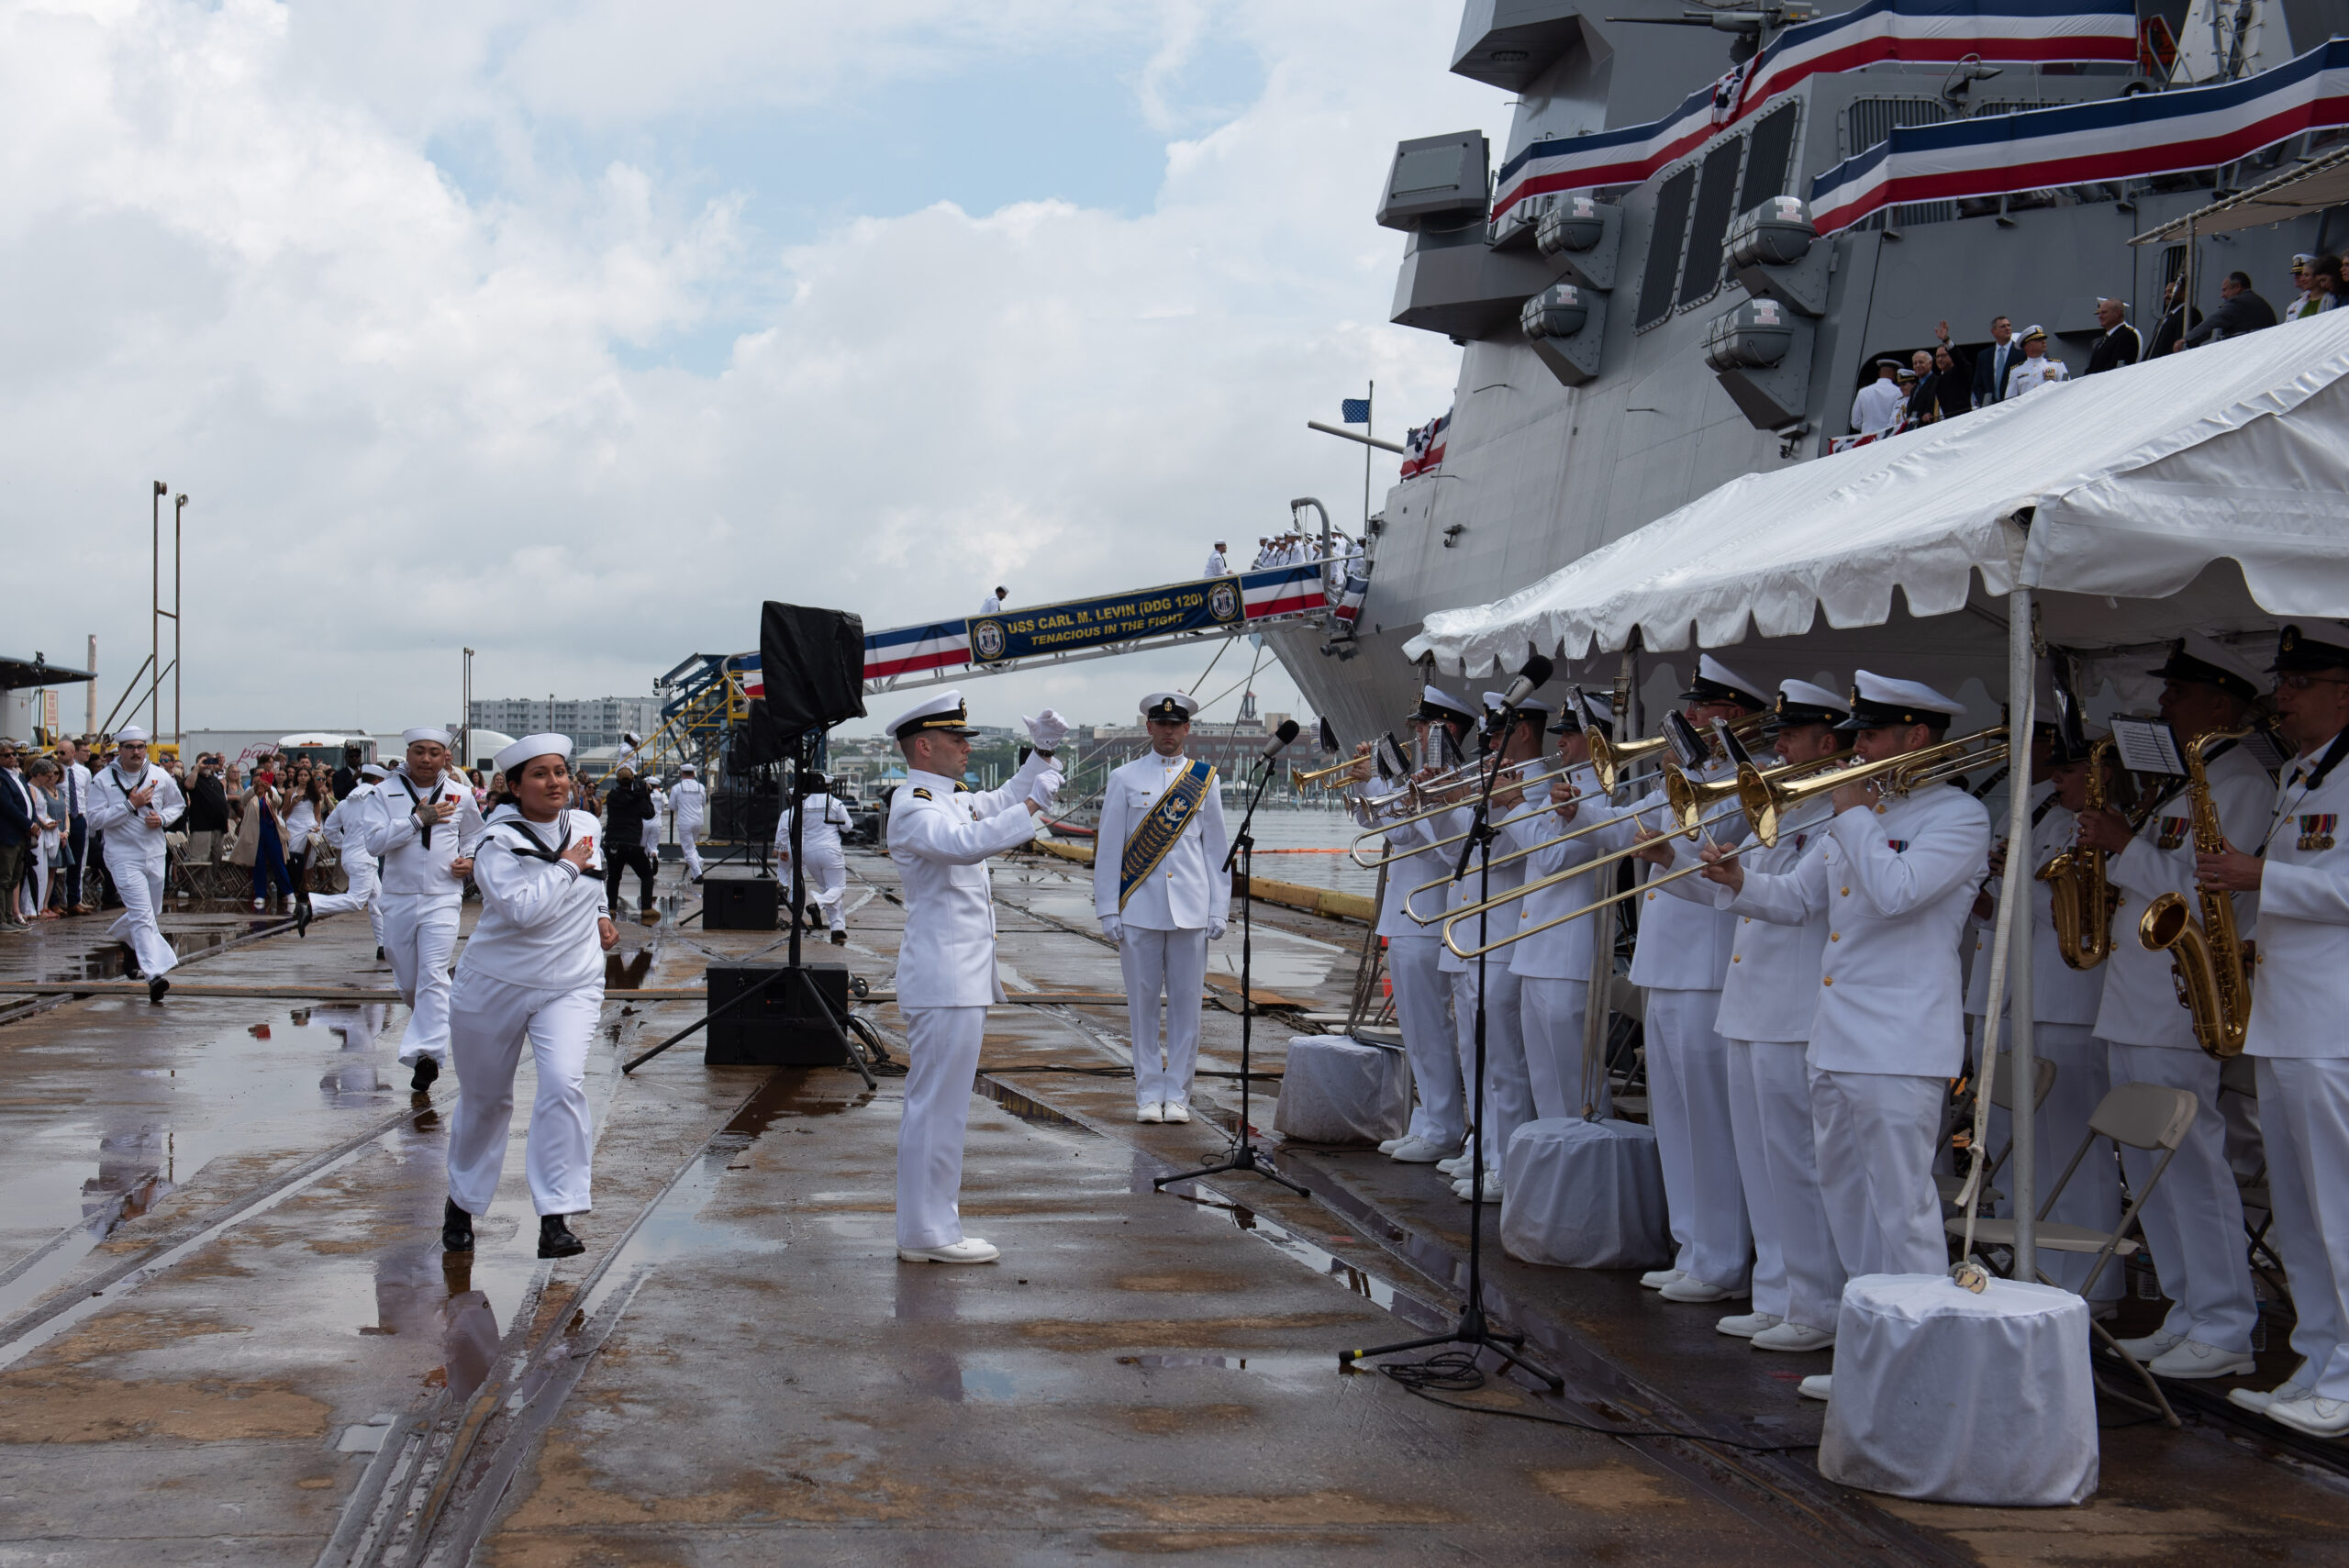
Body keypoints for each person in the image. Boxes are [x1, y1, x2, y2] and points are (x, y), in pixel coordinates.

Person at [1700, 671, 1987, 1404]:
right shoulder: (1862, 812)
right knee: (1849, 1203)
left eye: (1868, 735)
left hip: (1899, 1043)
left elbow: (1896, 893)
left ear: (1914, 737)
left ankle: (1925, 1356)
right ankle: (1870, 1345)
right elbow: (1799, 901)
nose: (1853, 748)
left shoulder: (1956, 816)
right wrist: (1736, 880)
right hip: (1837, 1038)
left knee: (1902, 1207)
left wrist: (1853, 811)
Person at [2075, 635, 2271, 1380]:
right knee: (2151, 1165)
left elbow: (2206, 892)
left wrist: (2125, 844)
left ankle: (2224, 1322)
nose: (2163, 704)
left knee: (2193, 1162)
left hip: (2182, 1000)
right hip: (2138, 998)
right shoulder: (2189, 782)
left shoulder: (2241, 782)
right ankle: (2189, 1309)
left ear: (2221, 703)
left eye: (2179, 694)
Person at [1647, 680, 1850, 1351]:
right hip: (1750, 1003)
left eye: (1790, 736)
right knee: (1762, 1161)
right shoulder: (1786, 811)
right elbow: (1725, 896)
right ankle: (1776, 1293)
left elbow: (1790, 899)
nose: (1776, 747)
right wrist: (1671, 859)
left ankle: (1815, 1303)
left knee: (1795, 1161)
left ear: (1827, 743)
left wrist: (1736, 881)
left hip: (1792, 1008)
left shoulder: (1832, 816)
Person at [2190, 623, 2349, 1436]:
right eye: (2282, 684)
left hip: (2334, 1027)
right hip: (2287, 1019)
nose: (2281, 697)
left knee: (2341, 1205)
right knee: (2299, 1207)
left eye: (2299, 683)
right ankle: (2320, 1361)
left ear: (2344, 692)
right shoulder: (2298, 773)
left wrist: (2263, 876)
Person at [1590, 655, 1769, 1303]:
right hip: (1665, 964)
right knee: (1674, 1113)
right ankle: (1692, 1244)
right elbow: (1615, 829)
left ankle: (1722, 1257)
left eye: (1705, 707)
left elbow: (1722, 861)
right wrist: (1584, 796)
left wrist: (1672, 842)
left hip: (1710, 966)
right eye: (1692, 706)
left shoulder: (1753, 781)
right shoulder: (1687, 774)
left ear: (1739, 716)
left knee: (1709, 1117)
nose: (1690, 717)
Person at [886, 692, 1063, 1263]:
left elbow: (999, 802)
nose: (967, 748)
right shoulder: (914, 805)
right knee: (936, 1107)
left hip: (957, 978)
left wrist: (1040, 756)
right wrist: (1033, 811)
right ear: (925, 746)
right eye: (958, 740)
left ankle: (933, 1227)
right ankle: (927, 1233)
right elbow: (963, 847)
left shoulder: (949, 796)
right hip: (942, 979)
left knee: (945, 1108)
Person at [441, 734, 618, 1262]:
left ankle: (555, 1217)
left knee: (563, 1085)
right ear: (515, 787)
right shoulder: (498, 842)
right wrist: (566, 866)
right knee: (487, 1101)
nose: (555, 782)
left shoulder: (586, 825)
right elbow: (522, 911)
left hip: (571, 981)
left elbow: (597, 878)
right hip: (495, 984)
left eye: (561, 772)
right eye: (540, 775)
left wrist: (603, 914)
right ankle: (462, 1202)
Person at [1964, 718, 2118, 1315]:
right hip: (2010, 988)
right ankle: (2032, 1266)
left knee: (2069, 1147)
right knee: (2012, 1146)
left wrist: (2014, 880)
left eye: (2072, 767)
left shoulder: (2086, 821)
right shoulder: (2034, 808)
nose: (2059, 775)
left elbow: (2077, 910)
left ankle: (2089, 1283)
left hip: (2066, 992)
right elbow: (2008, 910)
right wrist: (1991, 885)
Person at [1351, 686, 1479, 1165]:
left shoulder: (1455, 779)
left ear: (1447, 730)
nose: (1418, 733)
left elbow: (1423, 839)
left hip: (1431, 915)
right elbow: (1381, 824)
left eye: (1425, 727)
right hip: (1405, 917)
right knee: (1418, 1032)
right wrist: (1367, 783)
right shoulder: (1422, 780)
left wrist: (1409, 795)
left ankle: (1446, 1125)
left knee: (1434, 1029)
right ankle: (1430, 1121)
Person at [1433, 691, 1553, 1203]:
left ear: (1524, 732)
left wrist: (1475, 800)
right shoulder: (1493, 782)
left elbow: (1502, 854)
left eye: (1499, 734)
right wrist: (1442, 805)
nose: (1490, 744)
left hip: (1501, 934)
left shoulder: (1538, 785)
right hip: (1467, 933)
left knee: (1505, 1062)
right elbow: (1451, 854)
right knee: (1475, 1055)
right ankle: (1485, 1150)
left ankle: (1507, 1162)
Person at [1095, 692, 1230, 1124]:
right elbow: (1110, 849)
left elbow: (1216, 852)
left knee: (1188, 1009)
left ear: (1187, 729)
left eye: (1177, 725)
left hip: (1191, 909)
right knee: (1143, 1007)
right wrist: (1107, 909)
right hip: (1138, 908)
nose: (1169, 731)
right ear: (1149, 728)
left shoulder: (1205, 780)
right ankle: (1149, 1094)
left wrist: (1219, 909)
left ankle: (1180, 1097)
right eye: (1161, 724)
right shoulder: (1124, 778)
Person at [1504, 695, 1610, 1126]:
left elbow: (1552, 858)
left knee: (1576, 1088)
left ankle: (1587, 1176)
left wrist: (1513, 804)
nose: (1561, 740)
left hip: (1568, 953)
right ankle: (1554, 1178)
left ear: (1595, 738)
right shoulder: (1563, 784)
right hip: (1537, 949)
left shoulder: (1600, 791)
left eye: (1570, 733)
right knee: (1545, 1084)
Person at [366, 727, 485, 1094]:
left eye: (434, 752)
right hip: (399, 897)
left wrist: (470, 859)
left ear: (444, 756)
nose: (426, 759)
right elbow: (374, 843)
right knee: (408, 980)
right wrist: (418, 820)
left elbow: (476, 835)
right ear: (408, 753)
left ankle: (427, 1055)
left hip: (442, 897)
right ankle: (430, 1033)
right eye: (419, 751)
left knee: (433, 973)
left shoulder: (460, 794)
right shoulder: (382, 792)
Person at [85, 727, 184, 1001]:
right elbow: (94, 820)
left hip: (154, 853)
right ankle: (153, 975)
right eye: (130, 747)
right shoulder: (103, 780)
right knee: (142, 915)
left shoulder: (159, 775)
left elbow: (178, 805)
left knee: (151, 915)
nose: (137, 752)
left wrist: (162, 819)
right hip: (122, 856)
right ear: (120, 750)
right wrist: (130, 805)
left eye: (141, 746)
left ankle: (128, 943)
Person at [306, 762, 390, 954]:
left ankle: (383, 945)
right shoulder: (378, 801)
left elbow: (330, 829)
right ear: (377, 781)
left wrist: (343, 844)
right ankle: (313, 905)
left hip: (350, 857)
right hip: (365, 859)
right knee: (355, 901)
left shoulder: (345, 803)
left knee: (377, 900)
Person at [775, 776, 852, 941]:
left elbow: (791, 825)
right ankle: (818, 903)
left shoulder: (802, 804)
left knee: (830, 890)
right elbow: (847, 827)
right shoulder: (834, 803)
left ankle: (837, 928)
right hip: (831, 850)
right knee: (838, 889)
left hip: (809, 852)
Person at [601, 762, 660, 923]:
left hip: (612, 843)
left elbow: (625, 799)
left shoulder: (612, 796)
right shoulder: (638, 798)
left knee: (614, 877)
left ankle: (611, 908)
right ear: (632, 780)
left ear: (618, 781)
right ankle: (646, 908)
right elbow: (649, 814)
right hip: (631, 844)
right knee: (647, 875)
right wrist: (646, 794)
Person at [230, 764, 293, 914]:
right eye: (257, 779)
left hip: (271, 831)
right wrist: (254, 789)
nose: (260, 782)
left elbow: (278, 802)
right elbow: (243, 800)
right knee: (257, 863)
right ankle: (260, 894)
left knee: (278, 862)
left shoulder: (271, 792)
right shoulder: (249, 794)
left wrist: (269, 790)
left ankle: (288, 891)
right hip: (255, 834)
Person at [281, 766, 335, 930]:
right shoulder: (291, 792)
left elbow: (317, 812)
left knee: (309, 852)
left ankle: (306, 881)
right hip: (294, 824)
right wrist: (293, 803)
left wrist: (317, 825)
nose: (303, 778)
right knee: (294, 855)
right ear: (297, 777)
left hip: (308, 823)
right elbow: (284, 812)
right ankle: (297, 882)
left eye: (306, 775)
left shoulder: (314, 793)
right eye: (301, 775)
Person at [2177, 271, 2277, 350]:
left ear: (2237, 287)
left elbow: (2214, 321)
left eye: (2225, 290)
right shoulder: (2261, 302)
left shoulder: (2238, 302)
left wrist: (2186, 340)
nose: (2222, 295)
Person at [53, 738, 94, 913]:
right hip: (61, 818)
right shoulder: (54, 771)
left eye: (62, 752)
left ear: (72, 753)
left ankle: (73, 901)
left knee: (77, 862)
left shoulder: (84, 772)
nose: (59, 755)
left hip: (78, 818)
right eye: (57, 752)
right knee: (55, 861)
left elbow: (86, 795)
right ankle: (53, 902)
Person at [0, 742, 35, 929]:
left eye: (14, 754)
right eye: (6, 755)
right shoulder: (2, 778)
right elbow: (8, 806)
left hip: (21, 833)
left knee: (14, 877)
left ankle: (10, 916)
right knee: (4, 878)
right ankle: (2, 919)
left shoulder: (18, 776)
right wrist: (29, 824)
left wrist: (33, 821)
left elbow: (28, 801)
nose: (12, 757)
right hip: (7, 833)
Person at [181, 752, 229, 871]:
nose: (208, 766)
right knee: (201, 862)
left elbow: (222, 801)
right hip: (202, 828)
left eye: (211, 762)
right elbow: (188, 785)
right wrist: (198, 767)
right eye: (205, 762)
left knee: (216, 860)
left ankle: (211, 887)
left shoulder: (215, 780)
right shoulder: (194, 778)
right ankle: (199, 889)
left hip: (219, 827)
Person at [1970, 315, 2022, 406]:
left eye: (2009, 325)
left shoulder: (2021, 352)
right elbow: (1977, 384)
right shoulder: (1984, 356)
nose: (2007, 328)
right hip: (1991, 407)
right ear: (1993, 331)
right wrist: (1985, 402)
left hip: (2014, 404)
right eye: (2003, 326)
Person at [2149, 275, 2204, 360]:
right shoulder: (2168, 317)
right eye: (2165, 292)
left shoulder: (2189, 314)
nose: (2166, 296)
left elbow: (2181, 347)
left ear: (2184, 293)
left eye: (2171, 292)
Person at [670, 762, 707, 882]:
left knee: (688, 850)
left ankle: (698, 874)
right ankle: (699, 863)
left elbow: (672, 806)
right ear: (693, 773)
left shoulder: (677, 788)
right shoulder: (700, 787)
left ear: (682, 773)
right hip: (698, 821)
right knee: (692, 847)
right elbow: (703, 803)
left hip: (685, 822)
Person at [1850, 359, 1906, 437]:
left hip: (1867, 440)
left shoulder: (1863, 392)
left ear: (1879, 373)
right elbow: (1898, 421)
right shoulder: (1900, 393)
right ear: (1894, 374)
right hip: (1887, 440)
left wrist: (1868, 429)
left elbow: (1856, 423)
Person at [2007, 325, 2069, 395]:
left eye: (2043, 339)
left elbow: (2067, 390)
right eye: (2038, 340)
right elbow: (2010, 398)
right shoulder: (2016, 371)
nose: (2043, 342)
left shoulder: (2057, 365)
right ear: (2028, 346)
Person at [2085, 297, 2141, 374]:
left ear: (2117, 313)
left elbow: (2118, 368)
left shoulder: (2127, 336)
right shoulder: (2103, 340)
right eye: (2099, 313)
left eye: (2104, 313)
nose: (2099, 316)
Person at [1930, 342, 1972, 422]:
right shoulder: (1935, 380)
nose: (1940, 359)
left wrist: (1947, 341)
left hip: (1961, 421)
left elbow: (1961, 362)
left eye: (1943, 355)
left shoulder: (1960, 372)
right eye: (1938, 356)